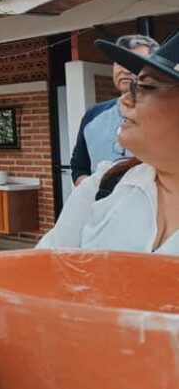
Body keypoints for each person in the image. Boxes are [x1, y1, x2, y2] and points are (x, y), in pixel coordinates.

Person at [39, 31, 179, 254]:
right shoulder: (108, 183)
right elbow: (46, 263)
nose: (126, 100)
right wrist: (90, 192)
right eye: (134, 86)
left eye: (146, 86)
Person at [70, 34, 159, 186]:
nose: (124, 69)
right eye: (119, 63)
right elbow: (79, 166)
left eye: (132, 62)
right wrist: (93, 191)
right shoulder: (93, 115)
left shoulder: (167, 116)